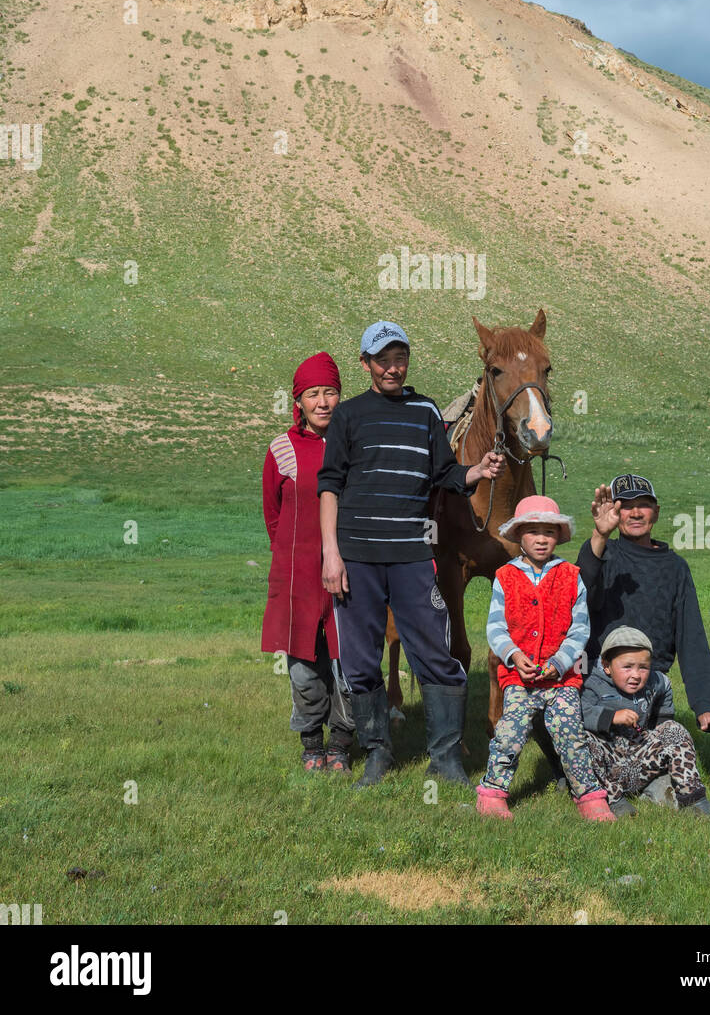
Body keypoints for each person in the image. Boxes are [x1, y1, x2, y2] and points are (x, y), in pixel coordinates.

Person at [318, 321, 505, 788]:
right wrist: (330, 554)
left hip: (413, 557)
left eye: (399, 358)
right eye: (382, 360)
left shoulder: (423, 412)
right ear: (365, 364)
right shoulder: (349, 416)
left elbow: (444, 474)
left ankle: (446, 759)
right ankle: (379, 753)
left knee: (436, 655)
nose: (392, 368)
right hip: (357, 556)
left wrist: (477, 470)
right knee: (361, 658)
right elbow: (329, 486)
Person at [475, 495, 616, 822]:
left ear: (558, 536)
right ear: (519, 534)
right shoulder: (505, 577)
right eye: (533, 531)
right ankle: (493, 793)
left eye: (549, 532)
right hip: (519, 678)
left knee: (570, 733)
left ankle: (589, 796)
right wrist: (512, 654)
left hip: (562, 678)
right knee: (509, 732)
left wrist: (562, 660)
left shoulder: (570, 575)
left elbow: (580, 628)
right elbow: (496, 626)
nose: (541, 539)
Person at [578, 475, 710, 749]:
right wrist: (599, 536)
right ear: (613, 512)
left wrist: (705, 705)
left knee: (657, 758)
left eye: (644, 504)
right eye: (625, 506)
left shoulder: (675, 568)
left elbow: (691, 638)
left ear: (657, 512)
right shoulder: (603, 552)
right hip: (601, 680)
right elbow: (580, 596)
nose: (636, 512)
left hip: (649, 682)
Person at [262, 352, 354, 773]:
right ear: (297, 401)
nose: (322, 402)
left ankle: (341, 742)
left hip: (348, 572)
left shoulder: (354, 443)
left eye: (330, 392)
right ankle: (311, 743)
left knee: (348, 662)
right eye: (312, 394)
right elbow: (274, 514)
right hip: (297, 575)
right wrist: (293, 556)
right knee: (303, 666)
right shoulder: (281, 449)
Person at [582, 627, 710, 818]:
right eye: (627, 667)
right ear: (607, 665)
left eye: (643, 667)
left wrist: (660, 729)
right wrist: (611, 717)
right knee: (580, 741)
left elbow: (664, 702)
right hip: (608, 762)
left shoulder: (657, 681)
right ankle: (614, 801)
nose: (636, 675)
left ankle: (693, 800)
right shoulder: (590, 681)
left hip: (640, 757)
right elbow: (578, 712)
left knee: (674, 730)